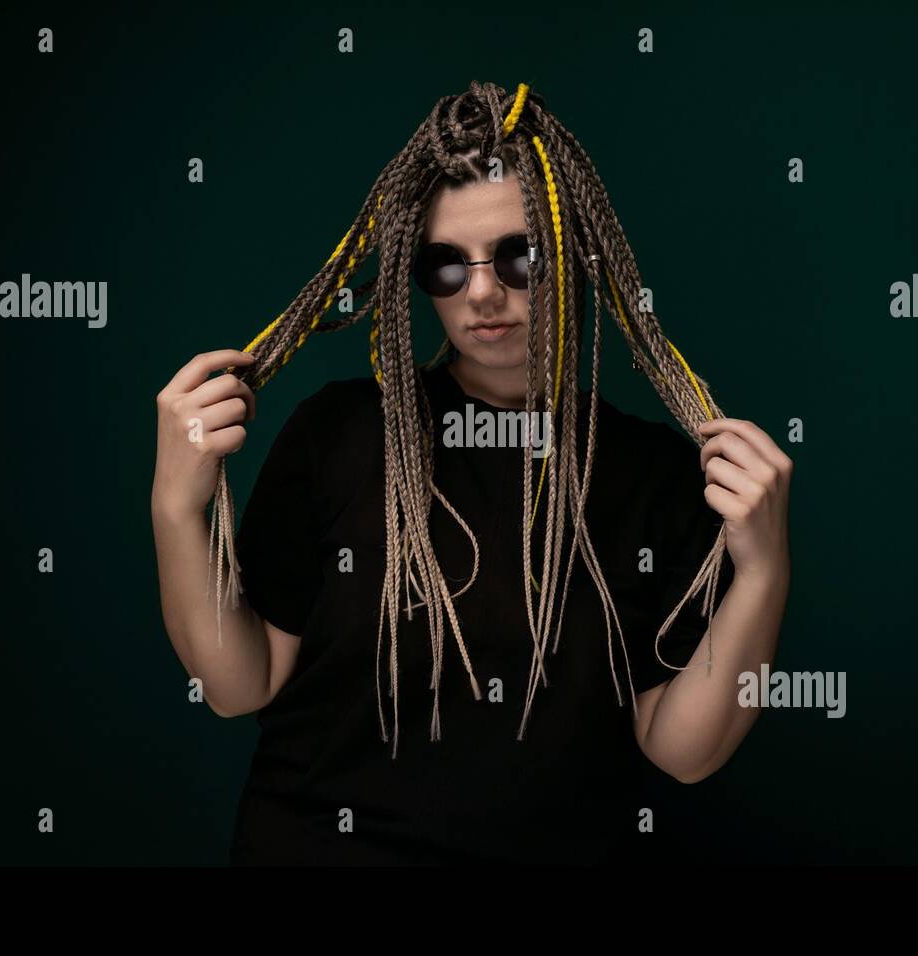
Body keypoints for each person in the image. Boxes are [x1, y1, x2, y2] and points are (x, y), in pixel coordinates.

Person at [151, 81, 793, 865]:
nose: (483, 292)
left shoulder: (653, 473)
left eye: (520, 255)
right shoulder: (340, 433)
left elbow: (683, 750)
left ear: (576, 253)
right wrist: (176, 507)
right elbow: (237, 685)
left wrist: (763, 569)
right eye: (445, 267)